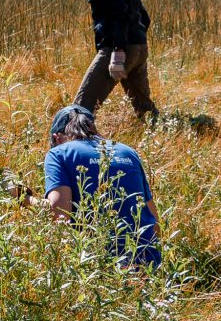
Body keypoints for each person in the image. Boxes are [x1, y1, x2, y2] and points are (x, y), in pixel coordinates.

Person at [36, 105, 161, 267]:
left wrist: (24, 199)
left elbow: (59, 215)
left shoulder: (59, 153)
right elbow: (154, 221)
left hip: (101, 267)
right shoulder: (128, 152)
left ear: (57, 138)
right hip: (148, 263)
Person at [65, 0, 159, 120]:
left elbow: (119, 14)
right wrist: (136, 41)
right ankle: (161, 132)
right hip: (138, 47)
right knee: (144, 108)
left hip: (117, 50)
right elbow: (143, 15)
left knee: (81, 108)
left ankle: (72, 143)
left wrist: (118, 51)